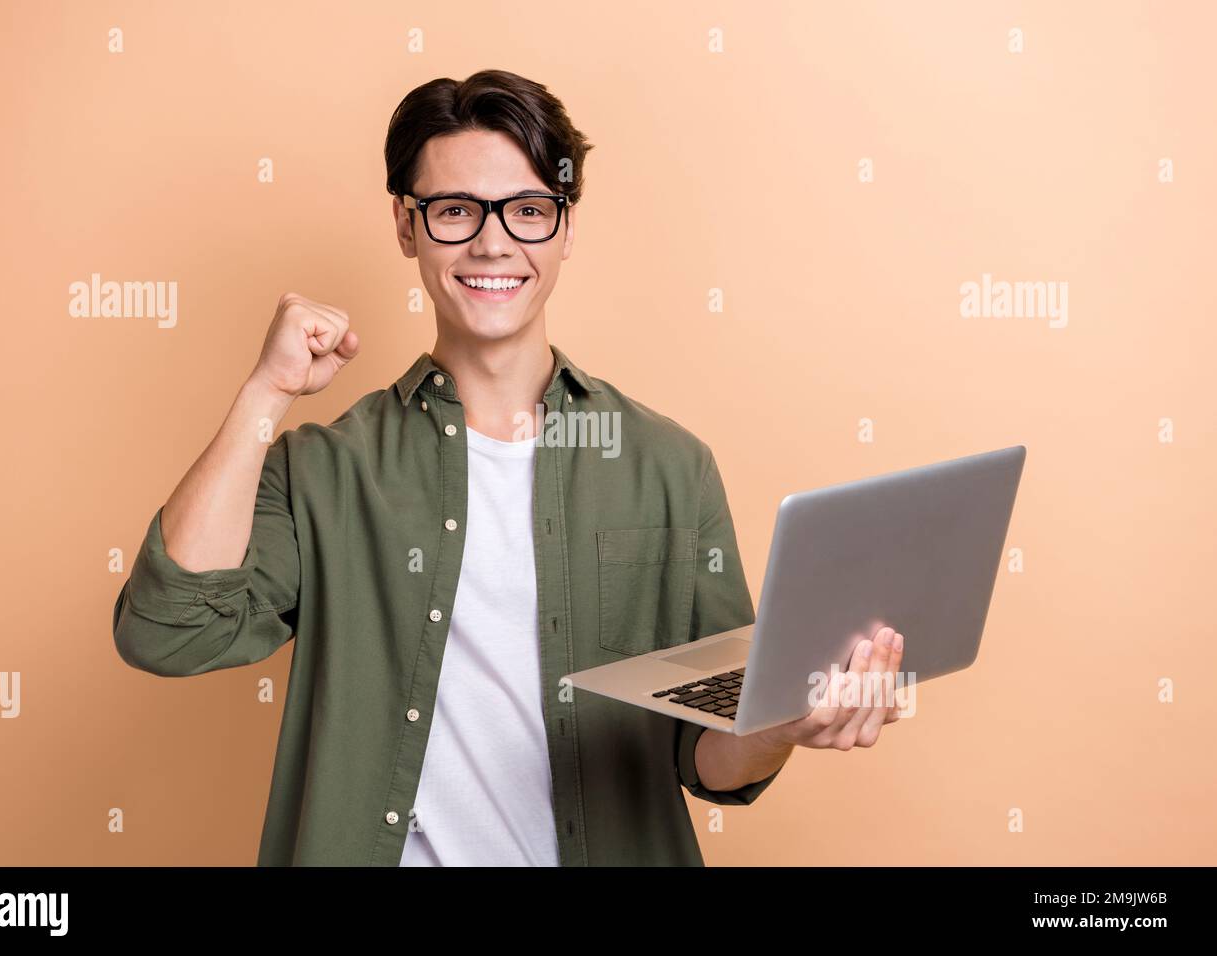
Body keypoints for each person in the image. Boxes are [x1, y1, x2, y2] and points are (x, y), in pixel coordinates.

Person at [112, 69, 904, 866]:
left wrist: (786, 725)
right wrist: (267, 391)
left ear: (565, 227)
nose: (494, 244)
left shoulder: (670, 467)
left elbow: (707, 756)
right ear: (406, 225)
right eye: (455, 211)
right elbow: (166, 631)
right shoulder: (324, 471)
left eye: (529, 211)